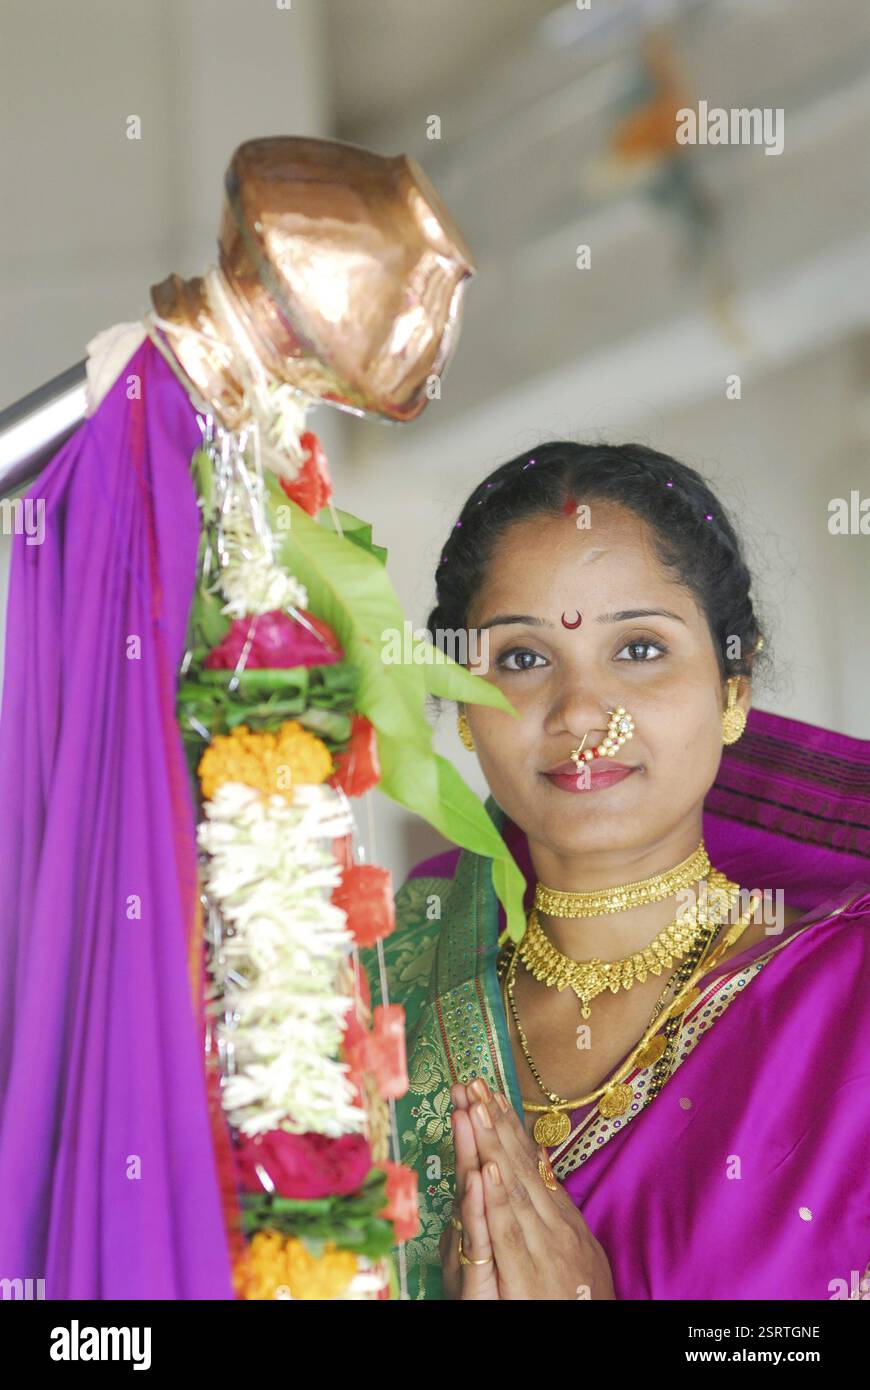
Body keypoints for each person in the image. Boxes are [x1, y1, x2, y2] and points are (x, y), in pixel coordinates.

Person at [361, 440, 870, 1301]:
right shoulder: (377, 990)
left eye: (638, 649)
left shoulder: (846, 1006)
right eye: (522, 658)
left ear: (732, 691)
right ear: (466, 711)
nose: (582, 711)